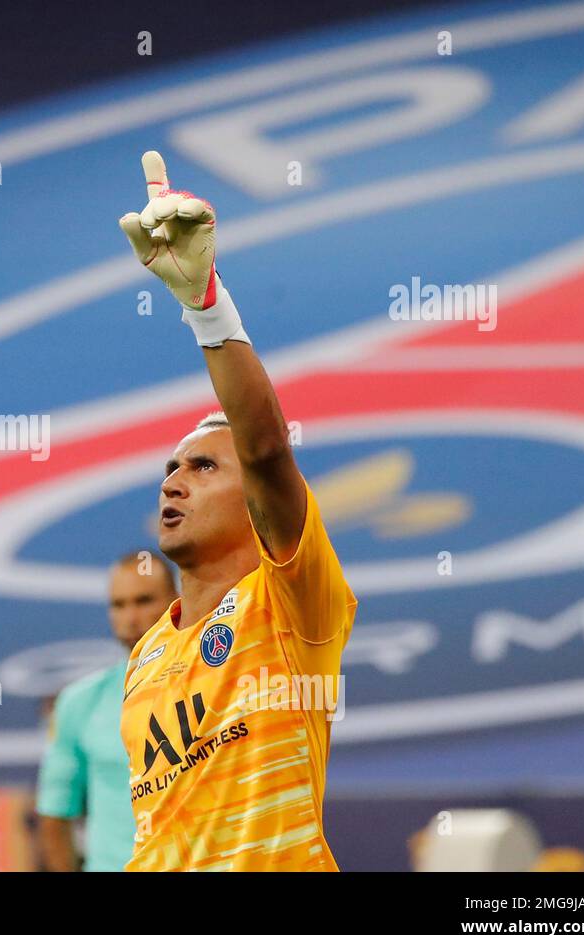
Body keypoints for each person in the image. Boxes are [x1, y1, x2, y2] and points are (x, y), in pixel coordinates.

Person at [115, 151, 358, 871]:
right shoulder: (146, 656)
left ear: (252, 498)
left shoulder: (292, 604)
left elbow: (266, 447)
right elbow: (157, 830)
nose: (174, 481)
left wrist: (207, 307)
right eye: (170, 469)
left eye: (202, 466)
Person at [37, 551, 177, 871]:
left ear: (176, 600)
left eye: (143, 601)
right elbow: (54, 814)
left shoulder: (214, 687)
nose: (130, 616)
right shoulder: (78, 702)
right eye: (119, 604)